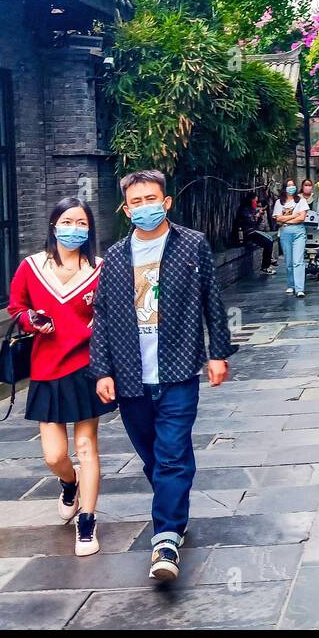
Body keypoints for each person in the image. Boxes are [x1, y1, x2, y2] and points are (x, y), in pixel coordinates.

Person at [90, 169, 236, 581]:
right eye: (135, 202)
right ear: (125, 208)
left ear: (166, 201)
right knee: (155, 459)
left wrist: (217, 354)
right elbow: (102, 316)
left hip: (177, 370)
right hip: (131, 374)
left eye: (150, 199)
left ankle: (165, 538)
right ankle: (175, 507)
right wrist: (101, 370)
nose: (144, 208)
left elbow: (211, 298)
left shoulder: (191, 244)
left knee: (171, 454)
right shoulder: (116, 255)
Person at [7, 197, 107, 557]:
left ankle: (87, 520)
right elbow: (16, 305)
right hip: (47, 367)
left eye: (82, 223)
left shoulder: (100, 268)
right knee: (54, 455)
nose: (74, 228)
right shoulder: (32, 267)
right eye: (67, 221)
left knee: (86, 447)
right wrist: (29, 319)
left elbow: (111, 313)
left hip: (86, 366)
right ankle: (69, 482)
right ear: (53, 225)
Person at [274, 178, 311, 297]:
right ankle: (291, 285)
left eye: (293, 185)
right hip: (285, 233)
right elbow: (278, 219)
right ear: (284, 188)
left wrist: (286, 219)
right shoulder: (279, 202)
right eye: (288, 185)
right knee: (289, 261)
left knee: (298, 261)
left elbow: (301, 218)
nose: (291, 187)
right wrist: (294, 215)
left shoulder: (300, 201)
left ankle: (300, 288)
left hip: (299, 232)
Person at [234, 194, 276, 275]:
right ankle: (265, 266)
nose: (256, 203)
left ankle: (269, 261)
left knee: (269, 240)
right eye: (255, 201)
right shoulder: (245, 210)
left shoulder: (252, 209)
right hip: (247, 233)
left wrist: (259, 216)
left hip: (253, 231)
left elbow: (256, 224)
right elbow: (250, 221)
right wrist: (256, 216)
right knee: (268, 242)